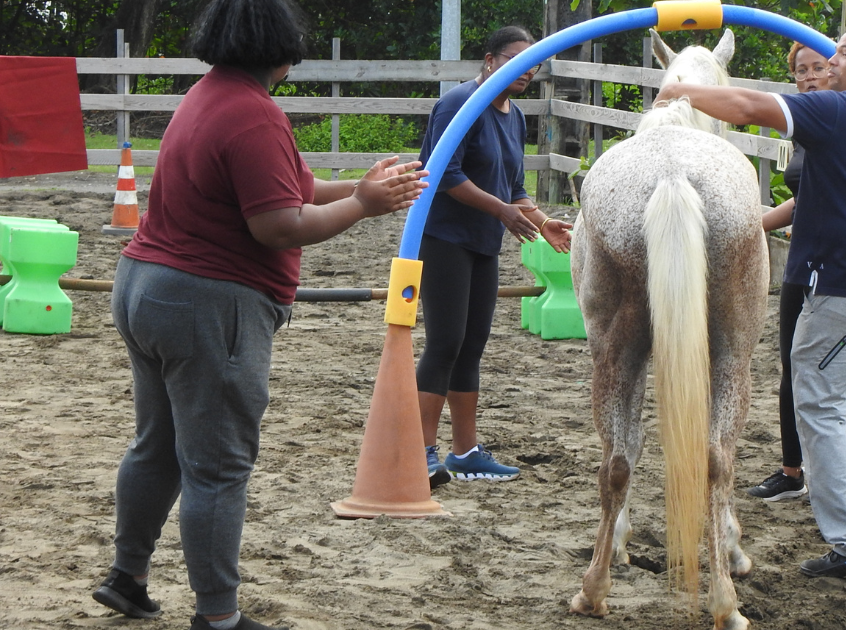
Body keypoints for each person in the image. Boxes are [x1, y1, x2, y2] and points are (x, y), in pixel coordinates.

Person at [91, 0, 428, 628]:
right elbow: (277, 225)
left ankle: (127, 576)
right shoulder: (253, 115)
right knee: (218, 468)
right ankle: (218, 616)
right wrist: (363, 205)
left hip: (146, 287)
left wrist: (362, 187)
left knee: (156, 446)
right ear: (284, 51)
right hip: (205, 303)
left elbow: (291, 187)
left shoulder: (208, 96)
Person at [658, 21, 846, 581]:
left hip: (843, 293)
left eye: (843, 53)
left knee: (822, 412)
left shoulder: (841, 112)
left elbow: (746, 105)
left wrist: (679, 91)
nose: (831, 63)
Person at [416, 26, 571, 485]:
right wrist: (502, 211)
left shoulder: (515, 115)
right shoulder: (458, 106)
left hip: (485, 242)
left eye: (533, 63)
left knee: (472, 345)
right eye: (515, 59)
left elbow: (516, 188)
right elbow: (444, 175)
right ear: (489, 59)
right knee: (444, 342)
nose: (526, 70)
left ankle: (464, 452)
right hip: (444, 238)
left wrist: (543, 222)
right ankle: (421, 450)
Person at [746, 41, 832, 503]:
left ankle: (844, 468)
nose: (810, 76)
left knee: (835, 370)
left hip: (839, 265)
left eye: (819, 67)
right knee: (790, 364)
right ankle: (791, 470)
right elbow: (804, 200)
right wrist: (751, 227)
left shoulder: (841, 125)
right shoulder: (805, 133)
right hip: (801, 261)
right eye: (801, 71)